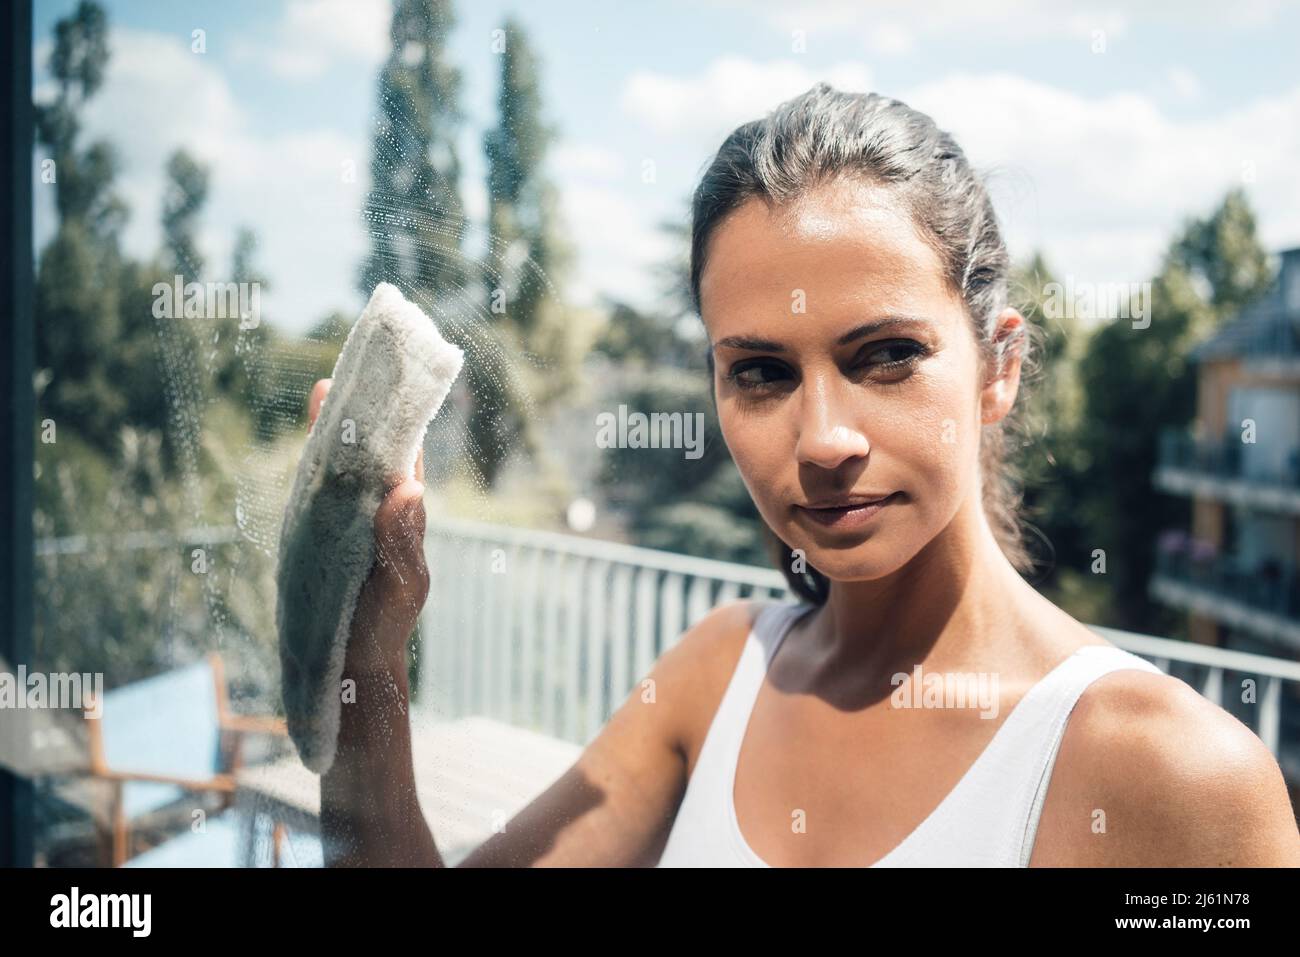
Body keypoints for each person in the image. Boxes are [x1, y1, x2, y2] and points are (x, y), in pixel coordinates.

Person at [316, 83, 1300, 867]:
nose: (824, 438)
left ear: (998, 367)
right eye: (761, 373)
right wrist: (366, 662)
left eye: (884, 356)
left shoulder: (1175, 775)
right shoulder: (716, 672)